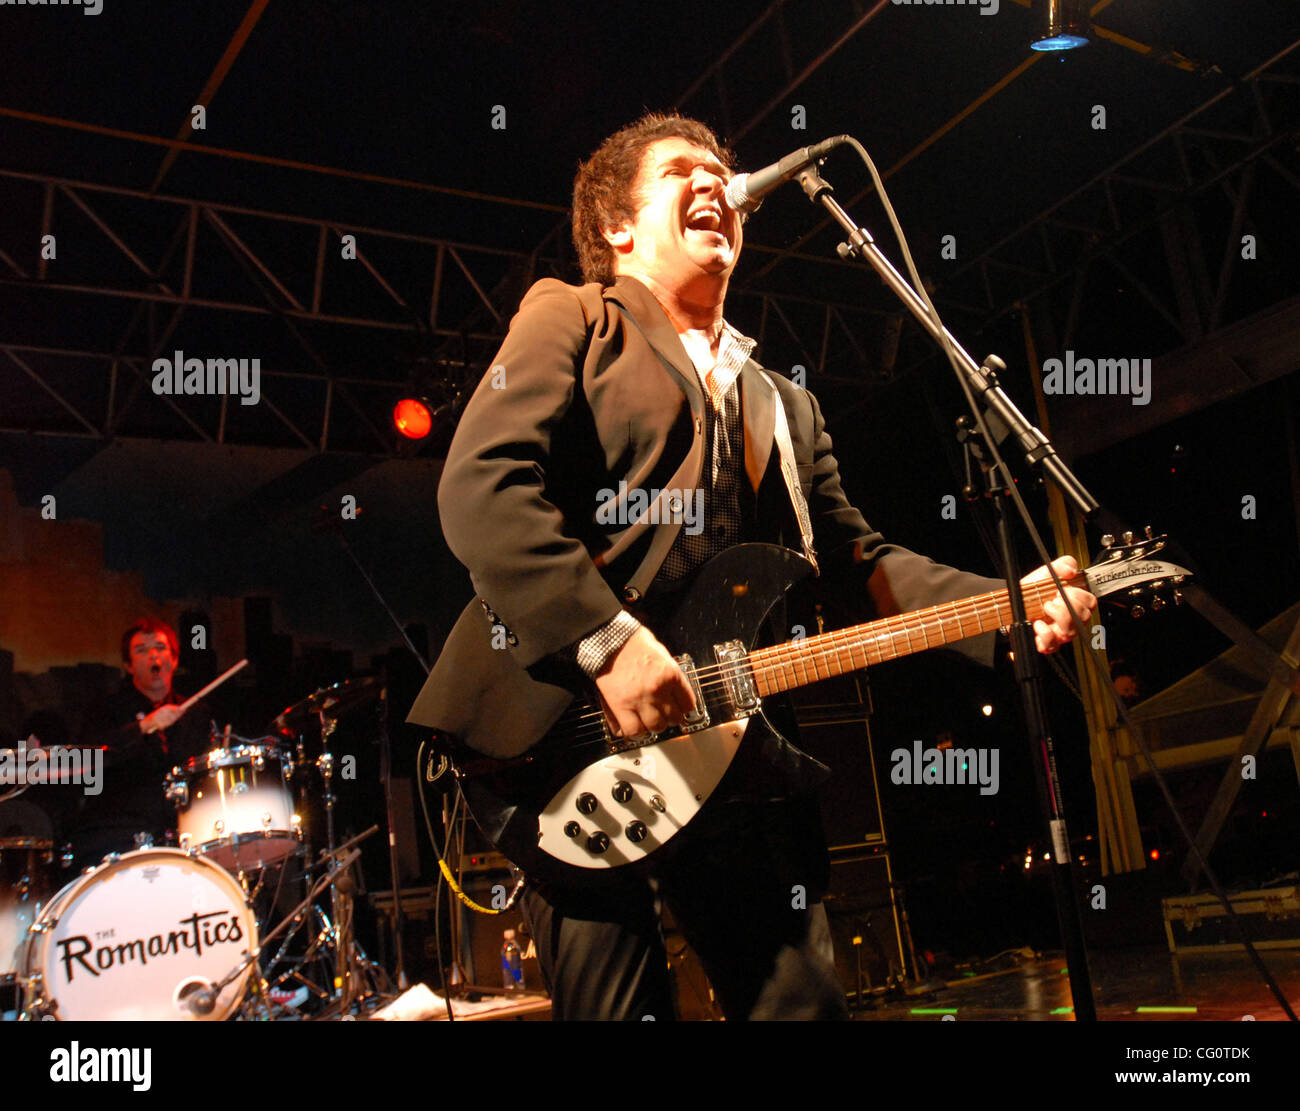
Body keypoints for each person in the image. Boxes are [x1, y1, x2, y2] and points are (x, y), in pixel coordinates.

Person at [409, 113, 1095, 1020]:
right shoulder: (572, 316)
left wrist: (1005, 600)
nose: (716, 183)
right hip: (561, 741)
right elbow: (482, 486)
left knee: (800, 1008)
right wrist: (608, 642)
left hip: (732, 747)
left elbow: (857, 559)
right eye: (682, 171)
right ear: (617, 226)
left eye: (722, 172)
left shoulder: (786, 403)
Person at [73, 618, 213, 870]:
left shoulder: (196, 712)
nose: (153, 656)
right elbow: (89, 758)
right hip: (119, 832)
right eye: (142, 650)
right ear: (129, 665)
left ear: (174, 659)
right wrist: (144, 726)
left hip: (186, 828)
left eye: (160, 648)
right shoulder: (105, 709)